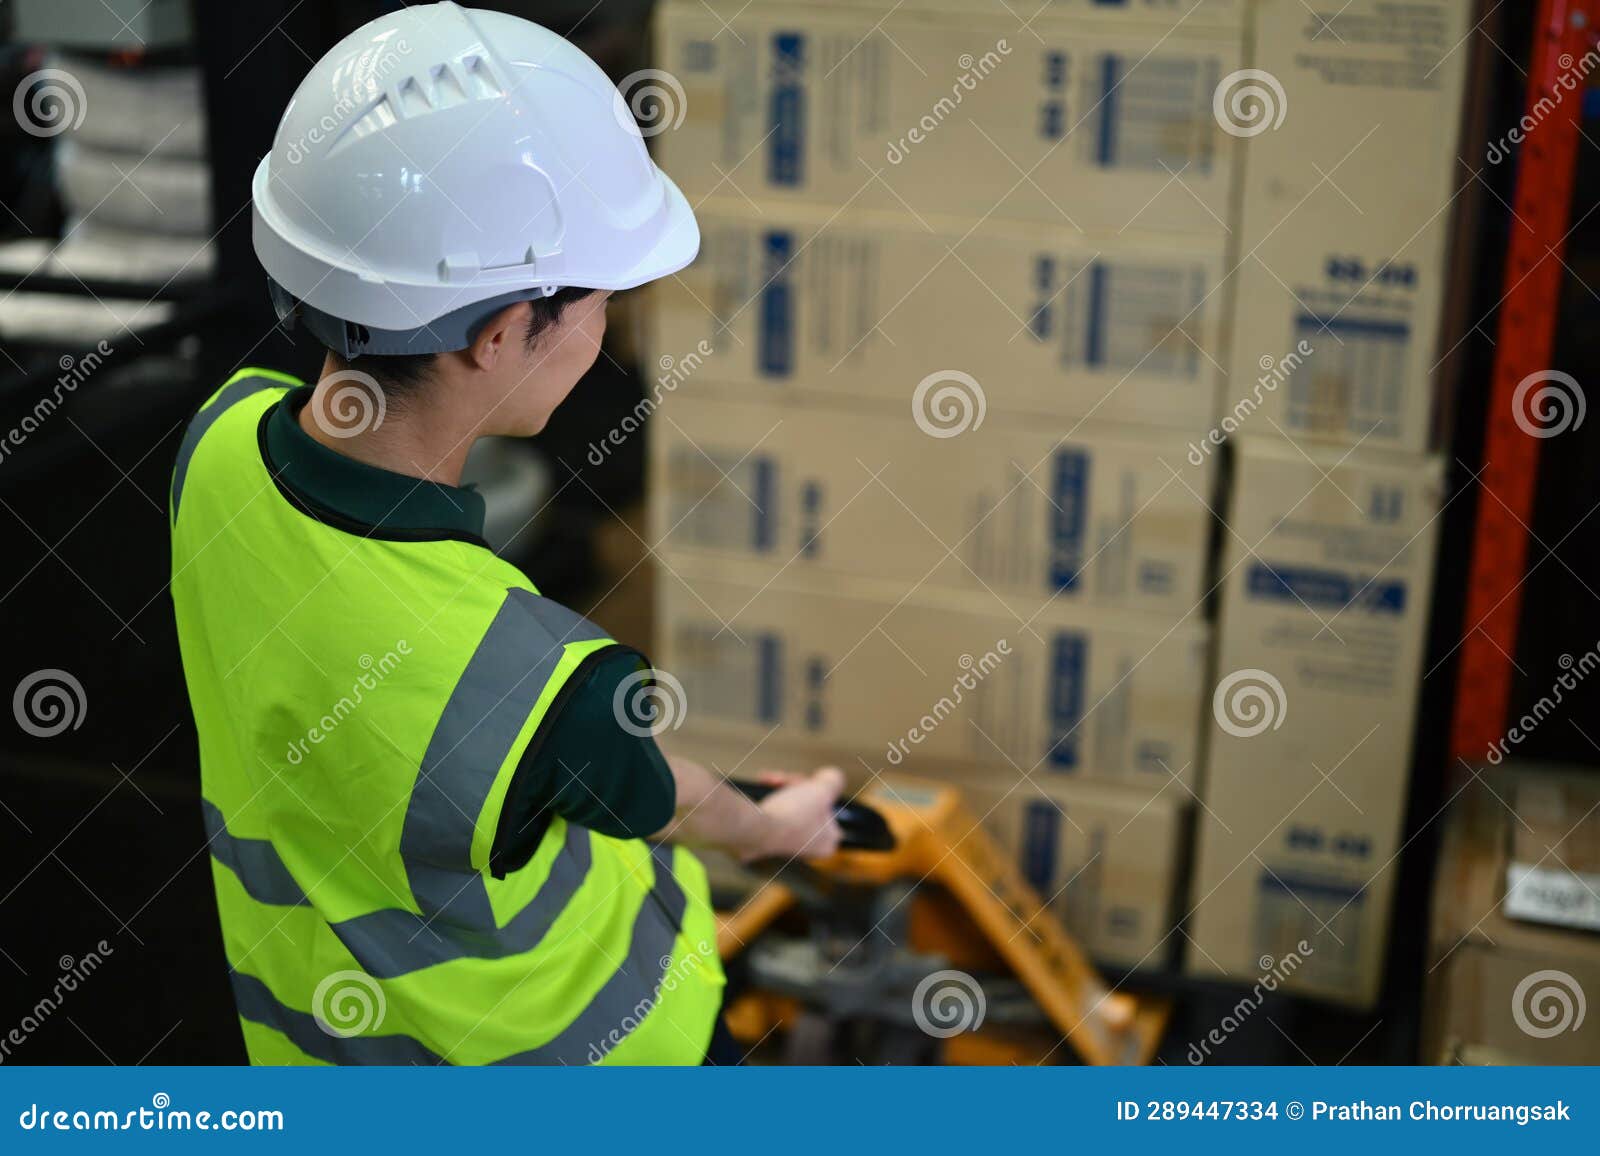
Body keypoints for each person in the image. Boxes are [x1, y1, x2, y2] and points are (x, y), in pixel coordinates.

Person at [170, 2, 843, 1066]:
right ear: (497, 337)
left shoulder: (214, 448)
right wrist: (783, 823)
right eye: (595, 304)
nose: (605, 328)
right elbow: (669, 797)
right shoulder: (527, 674)